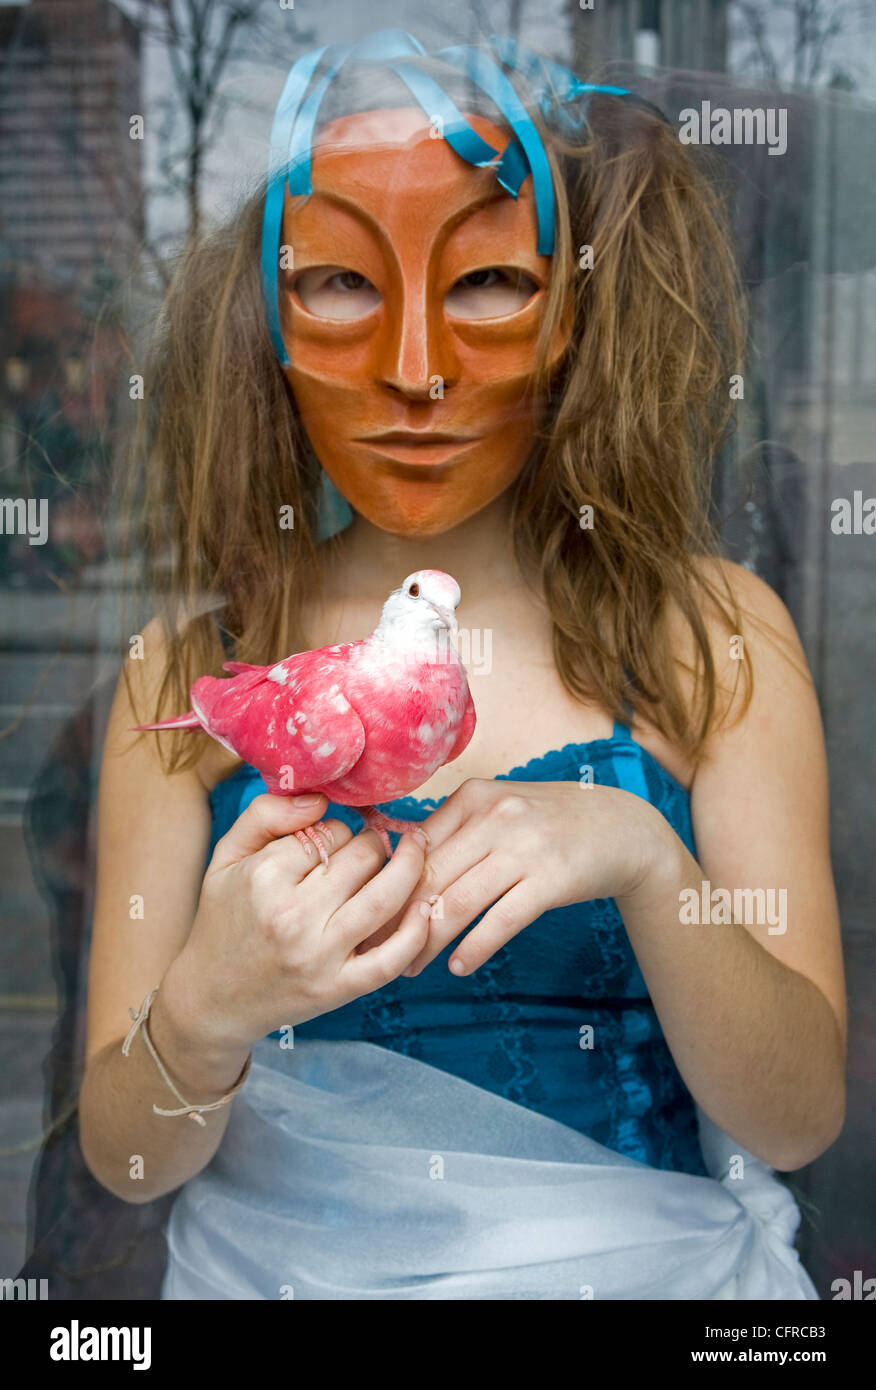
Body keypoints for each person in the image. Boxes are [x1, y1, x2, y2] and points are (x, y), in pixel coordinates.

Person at [78, 32, 845, 1299]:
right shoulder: (184, 675)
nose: (416, 369)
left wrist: (651, 866)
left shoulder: (714, 639)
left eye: (488, 283)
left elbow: (799, 1116)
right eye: (339, 283)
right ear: (264, 316)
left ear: (580, 306)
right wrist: (203, 1014)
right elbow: (129, 1163)